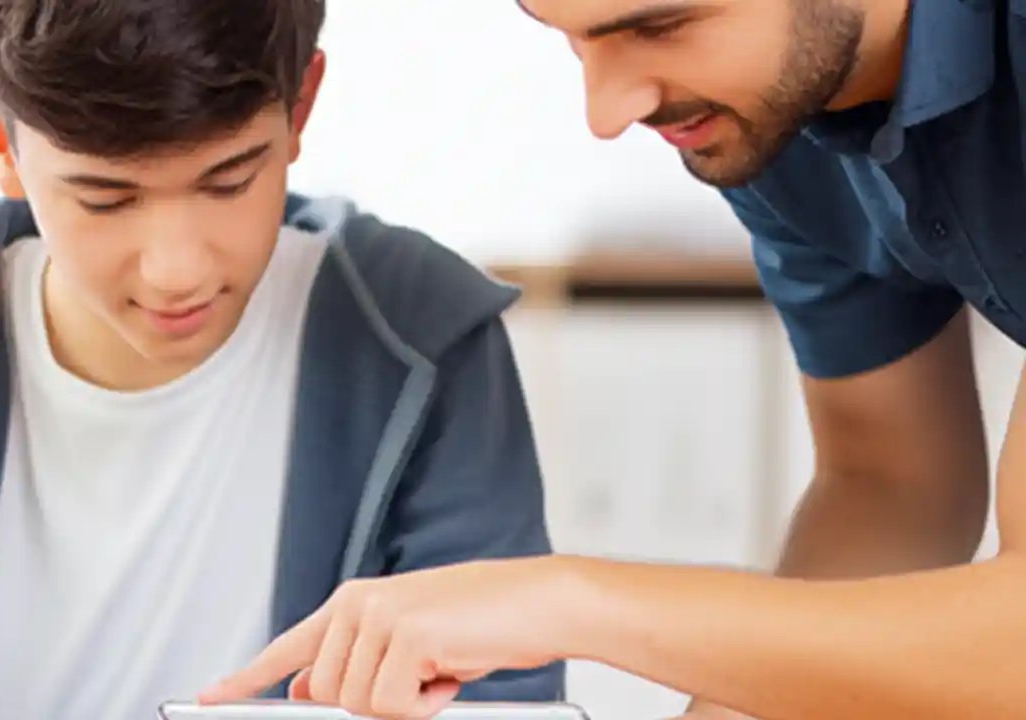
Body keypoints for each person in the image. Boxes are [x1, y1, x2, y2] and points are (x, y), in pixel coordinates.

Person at [201, 0, 1026, 718]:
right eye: (573, 38)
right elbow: (893, 486)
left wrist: (568, 602)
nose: (607, 110)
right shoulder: (771, 117)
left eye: (661, 24)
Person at [0, 1, 565, 718]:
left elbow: (497, 706)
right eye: (105, 199)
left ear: (302, 106)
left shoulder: (427, 343)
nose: (177, 270)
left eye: (229, 182)